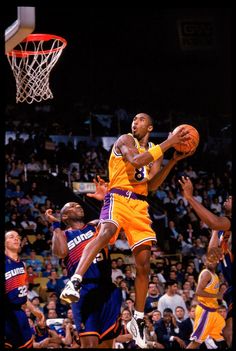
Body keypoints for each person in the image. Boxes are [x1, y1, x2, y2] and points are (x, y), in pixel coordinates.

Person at [60, 113, 191, 348]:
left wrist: (172, 160)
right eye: (134, 119)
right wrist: (169, 142)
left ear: (150, 126)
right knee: (106, 231)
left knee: (144, 264)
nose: (135, 122)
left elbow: (151, 184)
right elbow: (137, 161)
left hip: (139, 205)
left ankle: (138, 319)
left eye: (140, 119)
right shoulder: (125, 139)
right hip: (118, 197)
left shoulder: (154, 148)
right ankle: (75, 281)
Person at [45, 199, 122, 349]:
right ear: (65, 217)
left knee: (108, 343)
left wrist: (104, 199)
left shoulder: (94, 226)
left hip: (106, 288)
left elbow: (115, 221)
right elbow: (60, 252)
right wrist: (55, 225)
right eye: (72, 206)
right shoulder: (64, 235)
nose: (78, 206)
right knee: (90, 343)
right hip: (83, 290)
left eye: (78, 204)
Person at [179, 176, 232, 347]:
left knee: (227, 333)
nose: (228, 198)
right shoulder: (224, 231)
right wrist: (216, 231)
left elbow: (214, 221)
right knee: (226, 333)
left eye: (232, 198)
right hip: (231, 287)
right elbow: (212, 257)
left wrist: (189, 198)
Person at [5, 230, 45, 348]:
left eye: (18, 237)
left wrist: (35, 311)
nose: (16, 239)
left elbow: (22, 294)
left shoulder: (23, 265)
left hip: (19, 313)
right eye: (11, 237)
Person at [186, 248, 226, 349]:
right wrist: (217, 296)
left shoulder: (214, 275)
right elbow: (198, 291)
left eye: (214, 259)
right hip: (205, 311)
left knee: (226, 332)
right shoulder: (206, 273)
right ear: (205, 262)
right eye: (209, 260)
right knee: (197, 342)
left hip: (213, 312)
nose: (212, 262)